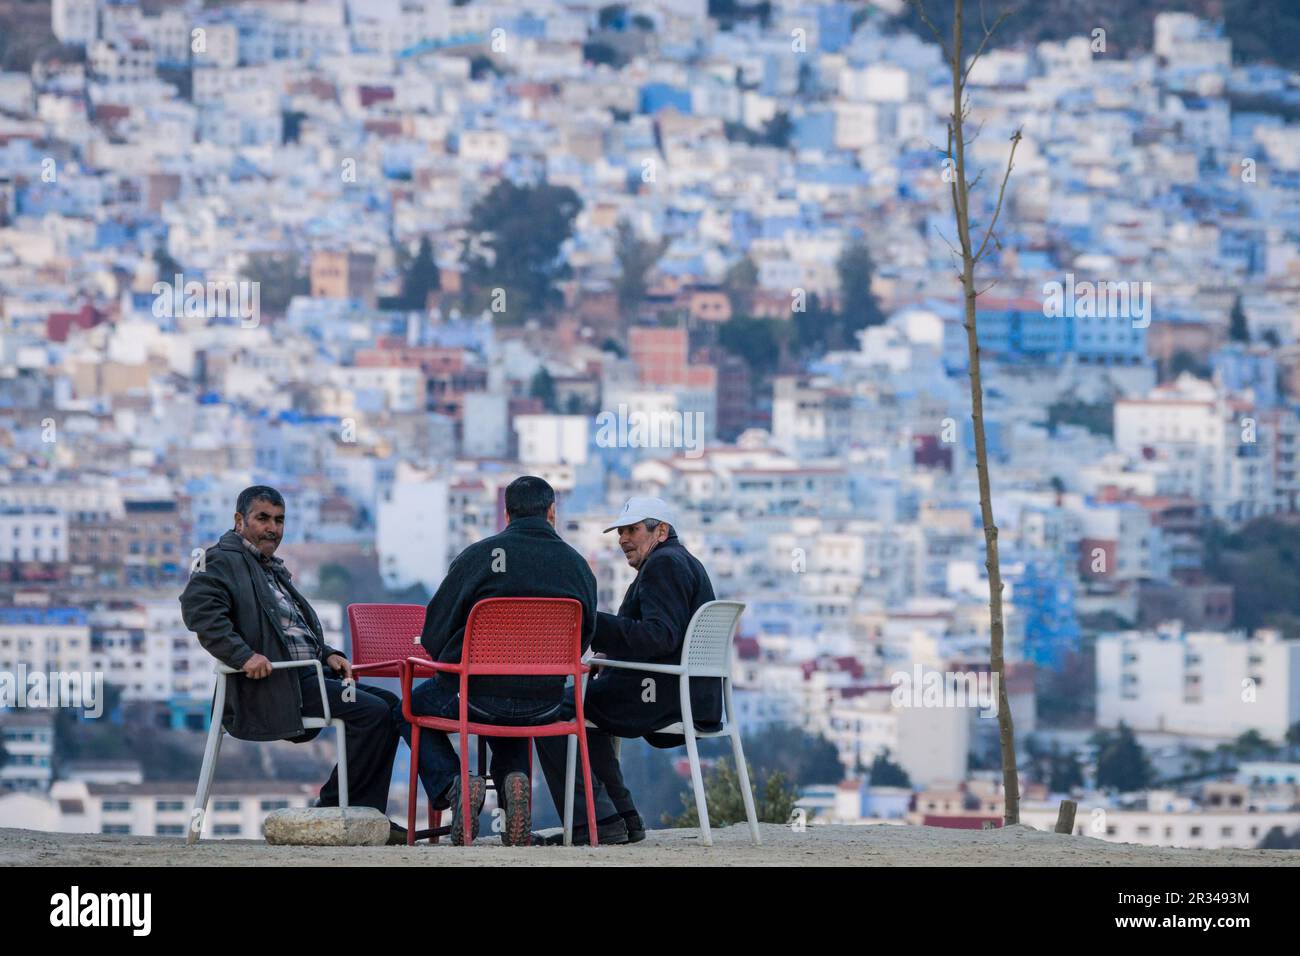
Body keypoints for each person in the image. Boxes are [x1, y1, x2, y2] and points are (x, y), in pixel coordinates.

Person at [180, 485, 408, 840]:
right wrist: (243, 656)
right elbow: (199, 613)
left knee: (392, 705)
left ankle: (364, 815)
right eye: (263, 519)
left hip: (306, 677)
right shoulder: (222, 560)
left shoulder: (268, 568)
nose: (273, 528)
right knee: (373, 712)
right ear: (239, 520)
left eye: (280, 520)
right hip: (271, 686)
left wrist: (328, 652)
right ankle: (342, 810)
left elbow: (289, 630)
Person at [412, 475, 597, 846]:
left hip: (475, 698)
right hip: (544, 703)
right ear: (551, 513)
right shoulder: (578, 566)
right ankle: (515, 780)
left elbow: (433, 632)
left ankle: (454, 785)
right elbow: (584, 638)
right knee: (514, 713)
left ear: (506, 514)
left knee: (412, 705)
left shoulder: (479, 556)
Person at [535, 496, 719, 846]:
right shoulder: (680, 561)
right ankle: (620, 817)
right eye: (620, 532)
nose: (622, 539)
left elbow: (659, 636)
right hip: (691, 694)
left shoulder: (664, 565)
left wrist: (592, 623)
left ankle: (598, 820)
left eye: (632, 530)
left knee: (551, 710)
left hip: (665, 694)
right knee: (584, 703)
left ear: (660, 531)